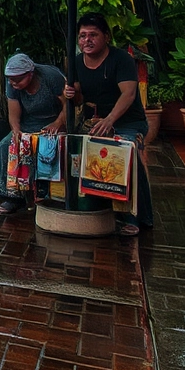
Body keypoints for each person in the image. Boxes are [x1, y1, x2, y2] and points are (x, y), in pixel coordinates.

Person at [62, 12, 153, 236]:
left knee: (124, 153)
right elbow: (79, 98)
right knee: (72, 151)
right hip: (94, 121)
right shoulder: (75, 62)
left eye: (93, 35)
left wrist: (110, 120)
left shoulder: (121, 59)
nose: (87, 40)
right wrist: (71, 93)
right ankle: (89, 206)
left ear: (106, 36)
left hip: (129, 122)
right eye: (82, 36)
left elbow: (129, 94)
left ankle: (134, 217)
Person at [0, 53, 67, 216]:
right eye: (11, 79)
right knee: (5, 147)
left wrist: (58, 123)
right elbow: (13, 113)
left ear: (30, 74)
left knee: (49, 148)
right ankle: (12, 197)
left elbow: (69, 105)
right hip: (29, 122)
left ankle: (49, 196)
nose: (13, 83)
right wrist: (16, 131)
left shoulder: (50, 77)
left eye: (18, 80)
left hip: (54, 121)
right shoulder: (12, 84)